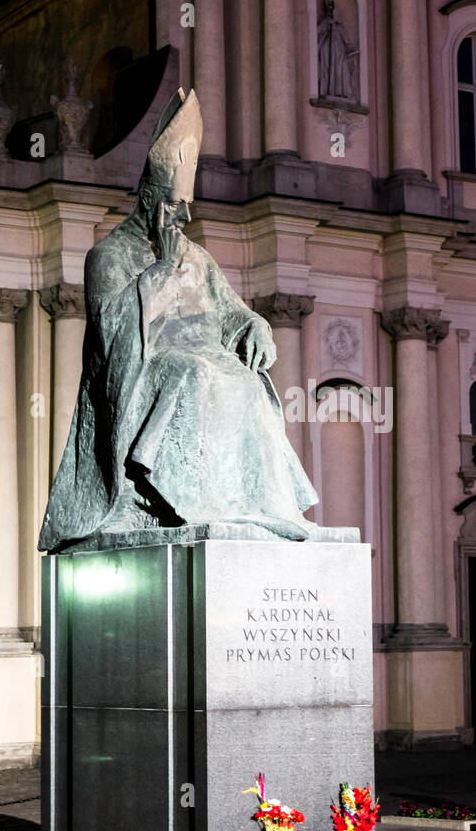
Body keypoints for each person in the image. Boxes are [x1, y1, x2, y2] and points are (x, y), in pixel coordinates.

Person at [38, 88, 318, 551]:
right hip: (143, 376)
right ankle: (176, 500)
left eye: (187, 203)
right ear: (147, 200)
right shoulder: (107, 256)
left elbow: (232, 313)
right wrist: (161, 272)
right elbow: (110, 339)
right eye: (174, 203)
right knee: (192, 372)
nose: (185, 215)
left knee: (248, 381)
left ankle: (256, 506)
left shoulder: (198, 257)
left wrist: (257, 328)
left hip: (201, 363)